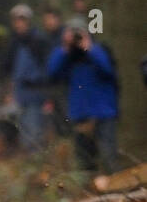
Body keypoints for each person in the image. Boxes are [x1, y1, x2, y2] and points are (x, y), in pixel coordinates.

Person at [47, 20, 119, 173]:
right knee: (85, 161)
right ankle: (90, 192)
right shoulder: (66, 56)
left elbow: (107, 70)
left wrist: (89, 47)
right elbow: (52, 73)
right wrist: (66, 47)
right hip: (81, 114)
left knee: (109, 157)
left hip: (103, 113)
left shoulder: (99, 50)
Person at [6, 4, 50, 152]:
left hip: (36, 91)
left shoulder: (39, 39)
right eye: (16, 20)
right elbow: (10, 69)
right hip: (19, 91)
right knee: (23, 127)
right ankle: (30, 161)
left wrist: (37, 79)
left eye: (22, 19)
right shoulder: (13, 42)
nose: (19, 23)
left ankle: (37, 159)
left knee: (35, 127)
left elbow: (47, 66)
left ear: (28, 21)